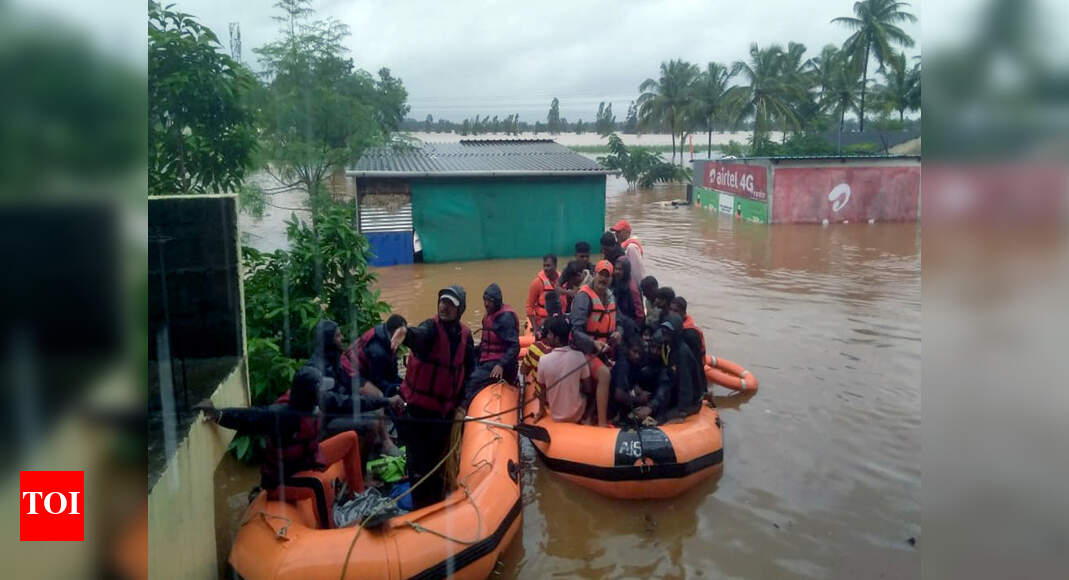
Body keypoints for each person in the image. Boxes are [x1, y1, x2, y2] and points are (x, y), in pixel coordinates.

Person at [195, 367, 365, 529]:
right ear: (311, 394)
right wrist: (217, 414)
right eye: (320, 390)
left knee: (350, 438)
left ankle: (359, 498)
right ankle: (330, 531)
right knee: (320, 484)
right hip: (281, 480)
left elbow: (346, 402)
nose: (324, 393)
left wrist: (380, 401)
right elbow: (249, 417)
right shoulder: (283, 416)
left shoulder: (313, 406)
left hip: (306, 461)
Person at [396, 286, 477, 509]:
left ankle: (439, 503)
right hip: (419, 414)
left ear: (460, 309)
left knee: (440, 462)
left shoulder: (465, 337)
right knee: (419, 464)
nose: (444, 307)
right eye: (442, 301)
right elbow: (417, 336)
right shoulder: (430, 328)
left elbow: (470, 374)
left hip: (445, 414)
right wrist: (405, 334)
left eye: (450, 304)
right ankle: (421, 506)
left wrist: (463, 405)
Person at [308, 320, 402, 455]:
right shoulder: (320, 369)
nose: (342, 338)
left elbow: (347, 389)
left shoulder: (333, 360)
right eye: (337, 336)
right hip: (324, 422)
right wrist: (384, 401)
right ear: (328, 341)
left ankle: (379, 442)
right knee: (371, 423)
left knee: (374, 404)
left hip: (338, 410)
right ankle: (363, 462)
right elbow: (337, 402)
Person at [569, 259, 618, 426]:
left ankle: (597, 413)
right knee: (604, 374)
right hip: (583, 349)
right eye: (601, 275)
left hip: (604, 349)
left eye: (607, 276)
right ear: (594, 275)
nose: (603, 279)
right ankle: (602, 422)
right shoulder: (584, 297)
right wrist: (593, 344)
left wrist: (618, 333)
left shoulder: (610, 296)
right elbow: (576, 331)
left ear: (611, 278)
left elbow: (617, 322)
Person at [465, 283, 520, 404]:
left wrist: (501, 365)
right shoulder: (489, 315)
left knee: (472, 382)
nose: (486, 304)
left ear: (497, 302)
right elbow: (487, 343)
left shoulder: (505, 319)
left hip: (500, 364)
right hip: (488, 359)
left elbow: (515, 346)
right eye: (485, 300)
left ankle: (464, 408)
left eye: (489, 301)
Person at [650, 314, 705, 423]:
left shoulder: (682, 353)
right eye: (664, 331)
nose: (665, 335)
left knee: (661, 419)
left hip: (691, 402)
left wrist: (681, 412)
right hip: (674, 391)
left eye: (669, 332)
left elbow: (686, 384)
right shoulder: (669, 348)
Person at [535, 316, 591, 424]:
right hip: (577, 415)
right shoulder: (579, 356)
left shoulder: (543, 360)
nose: (547, 337)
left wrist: (541, 410)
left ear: (557, 338)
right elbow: (588, 389)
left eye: (549, 334)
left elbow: (542, 391)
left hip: (555, 415)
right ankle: (589, 417)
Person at [343, 314, 407, 398]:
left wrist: (403, 384)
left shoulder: (386, 333)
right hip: (349, 372)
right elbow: (377, 380)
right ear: (393, 333)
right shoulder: (378, 351)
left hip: (364, 367)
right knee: (379, 396)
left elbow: (392, 370)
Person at [526, 254, 565, 333]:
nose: (546, 268)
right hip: (543, 322)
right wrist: (535, 329)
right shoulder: (537, 283)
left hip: (559, 321)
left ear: (555, 266)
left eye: (548, 266)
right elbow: (529, 306)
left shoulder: (563, 281)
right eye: (544, 266)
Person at [669, 296, 707, 362]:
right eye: (670, 310)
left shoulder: (690, 334)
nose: (671, 313)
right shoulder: (674, 324)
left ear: (683, 313)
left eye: (675, 311)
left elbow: (695, 360)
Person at [610, 256, 645, 328]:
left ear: (626, 270)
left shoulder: (632, 288)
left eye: (620, 269)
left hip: (630, 325)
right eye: (615, 269)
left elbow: (640, 315)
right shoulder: (618, 281)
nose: (616, 272)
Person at [611, 219, 646, 290]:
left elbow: (637, 273)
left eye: (619, 232)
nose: (616, 234)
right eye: (616, 232)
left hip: (633, 287)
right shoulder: (622, 247)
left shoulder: (631, 248)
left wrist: (637, 289)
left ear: (627, 233)